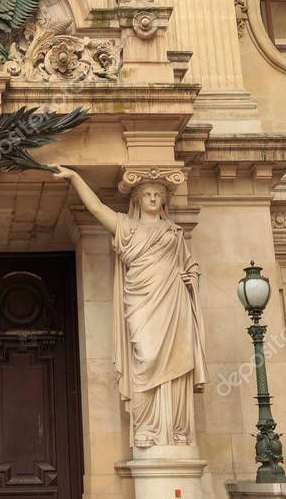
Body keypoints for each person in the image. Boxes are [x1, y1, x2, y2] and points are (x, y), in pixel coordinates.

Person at [51, 167, 207, 448]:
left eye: (157, 194)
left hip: (173, 302)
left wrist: (190, 279)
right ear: (136, 199)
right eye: (146, 194)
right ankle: (147, 426)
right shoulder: (127, 227)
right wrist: (76, 177)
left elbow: (190, 266)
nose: (151, 198)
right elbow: (97, 208)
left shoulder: (174, 232)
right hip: (141, 302)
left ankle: (175, 429)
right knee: (144, 359)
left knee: (178, 362)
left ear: (163, 200)